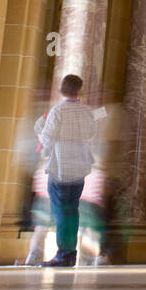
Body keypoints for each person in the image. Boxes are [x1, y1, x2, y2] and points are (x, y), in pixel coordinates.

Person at [35, 74, 97, 268]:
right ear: (80, 89)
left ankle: (64, 254)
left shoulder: (58, 110)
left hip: (61, 167)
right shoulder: (88, 111)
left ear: (63, 89)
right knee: (72, 211)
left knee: (61, 211)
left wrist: (43, 143)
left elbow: (47, 137)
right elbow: (91, 134)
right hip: (79, 167)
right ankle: (70, 254)